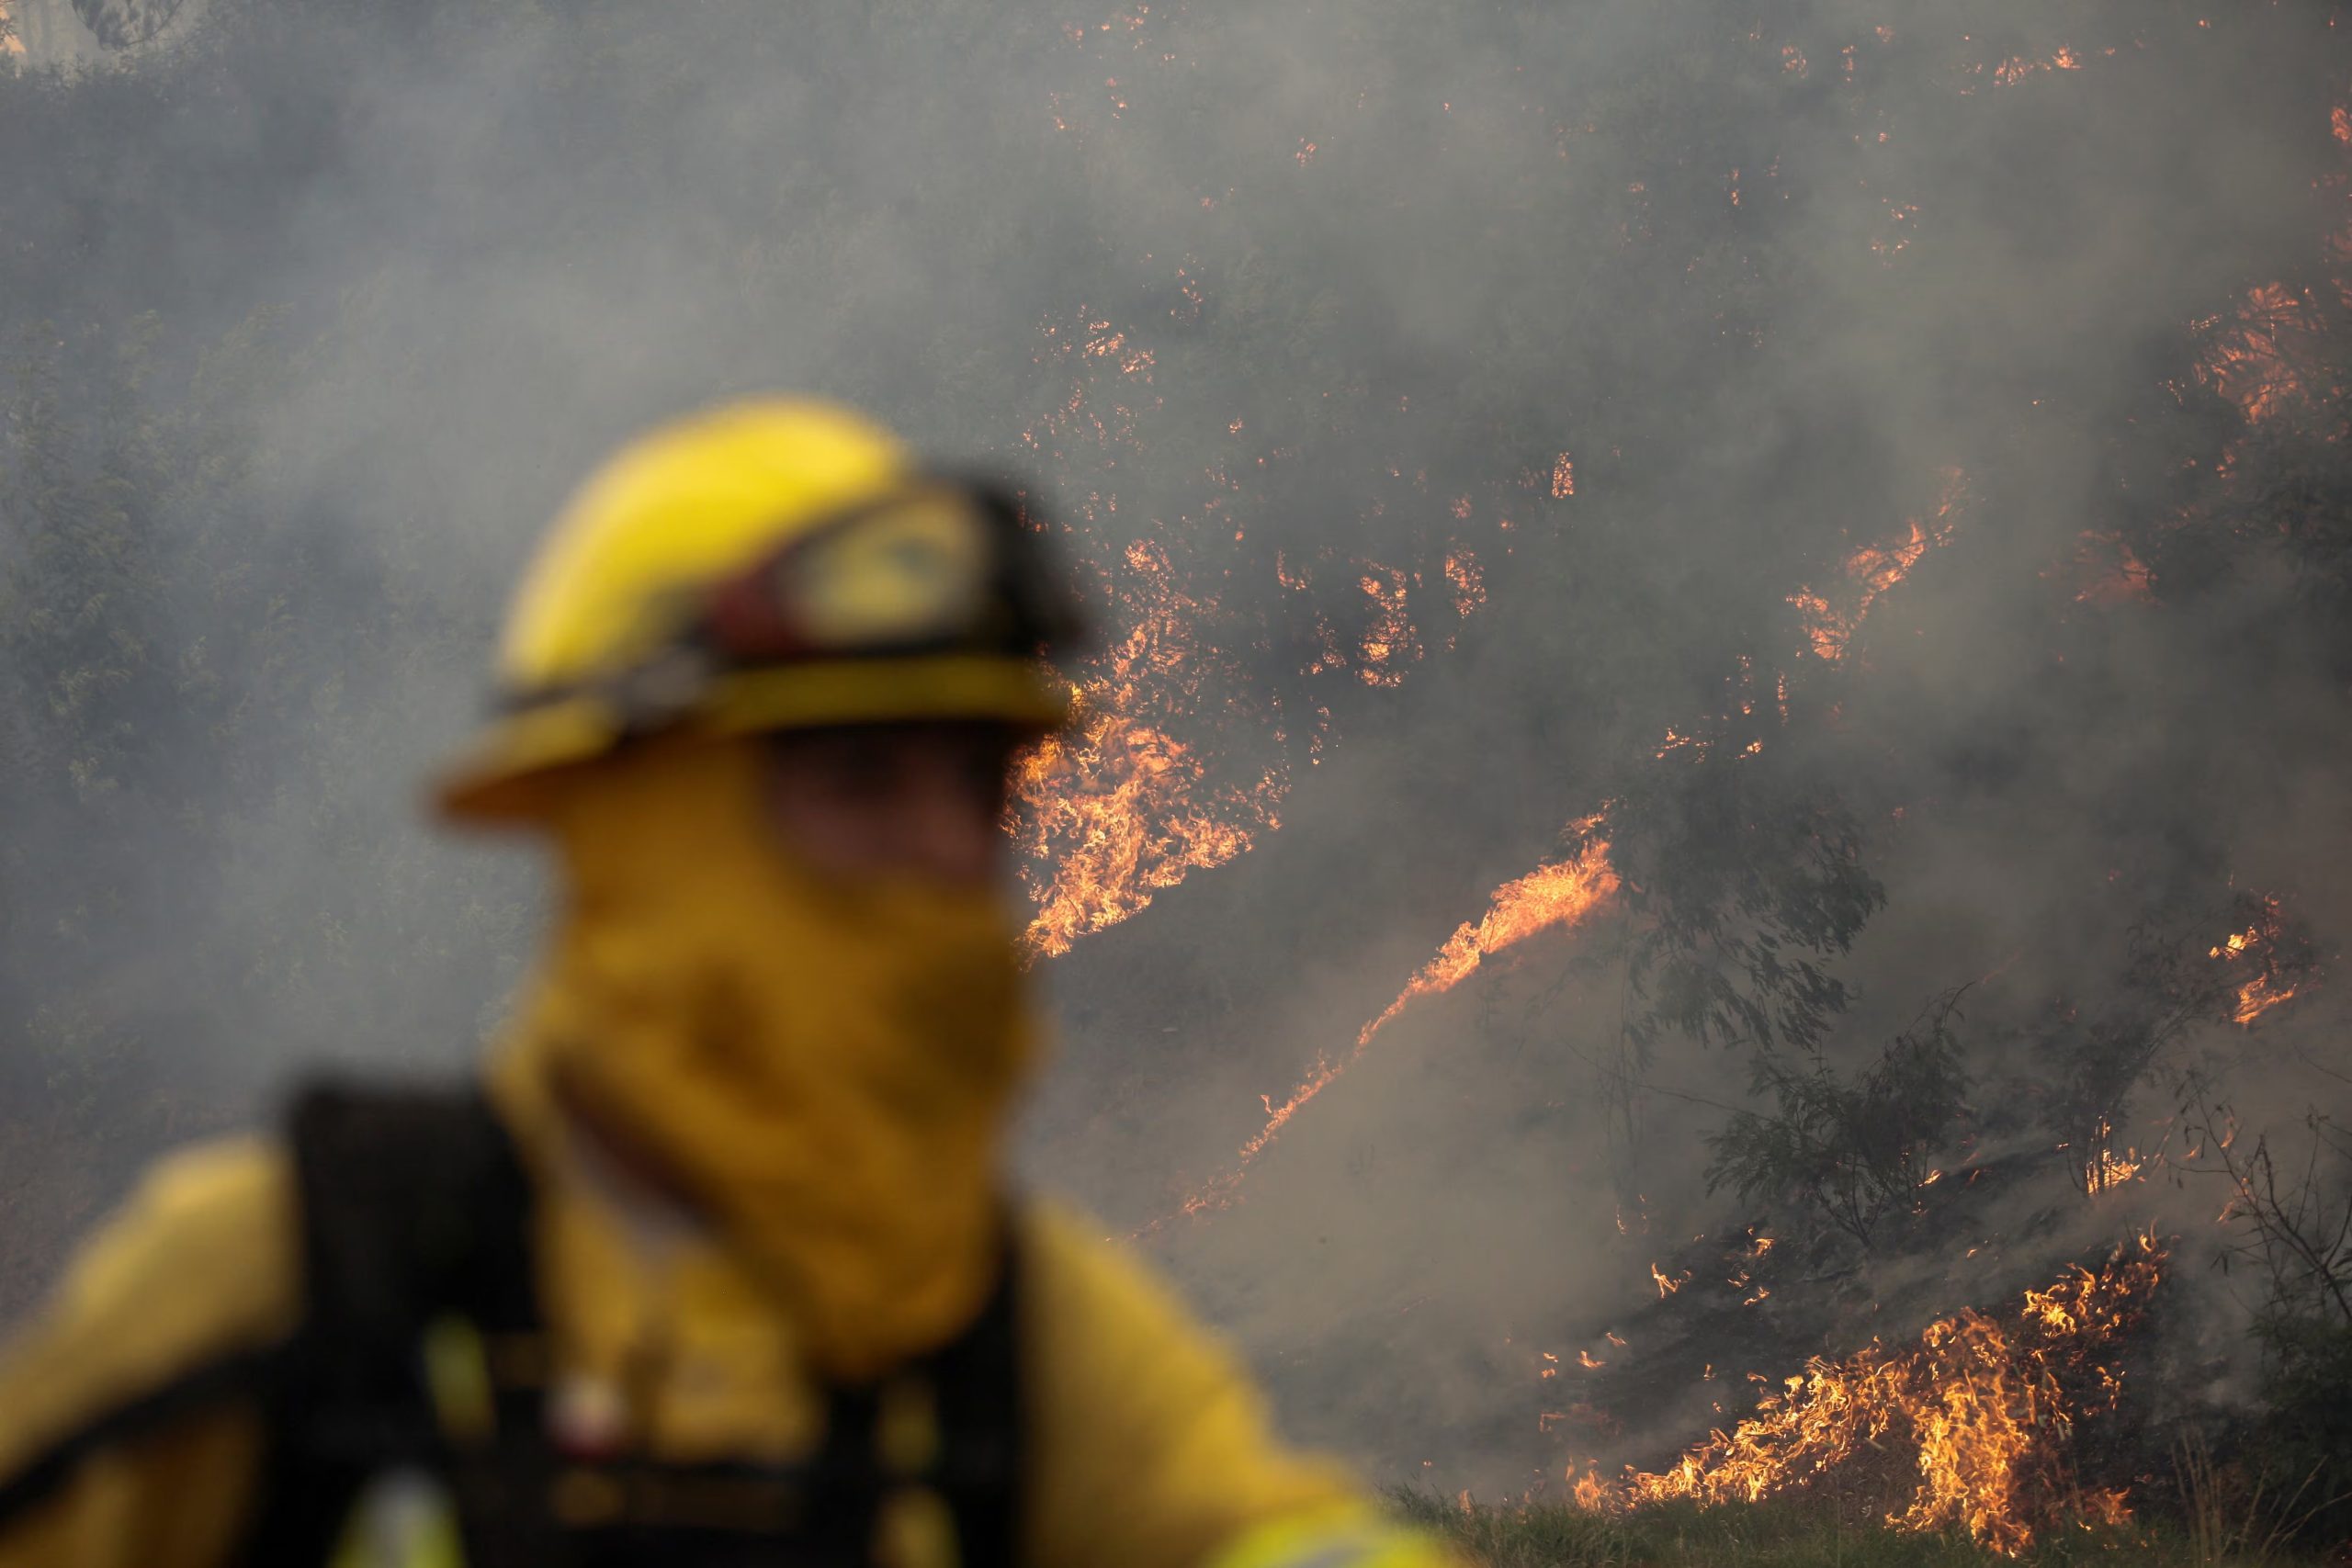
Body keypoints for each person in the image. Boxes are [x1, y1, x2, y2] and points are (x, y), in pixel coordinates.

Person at [0, 400, 1456, 1568]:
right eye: (858, 777)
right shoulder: (294, 1284)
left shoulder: (1019, 1346)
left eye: (981, 785)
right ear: (636, 820)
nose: (950, 856)